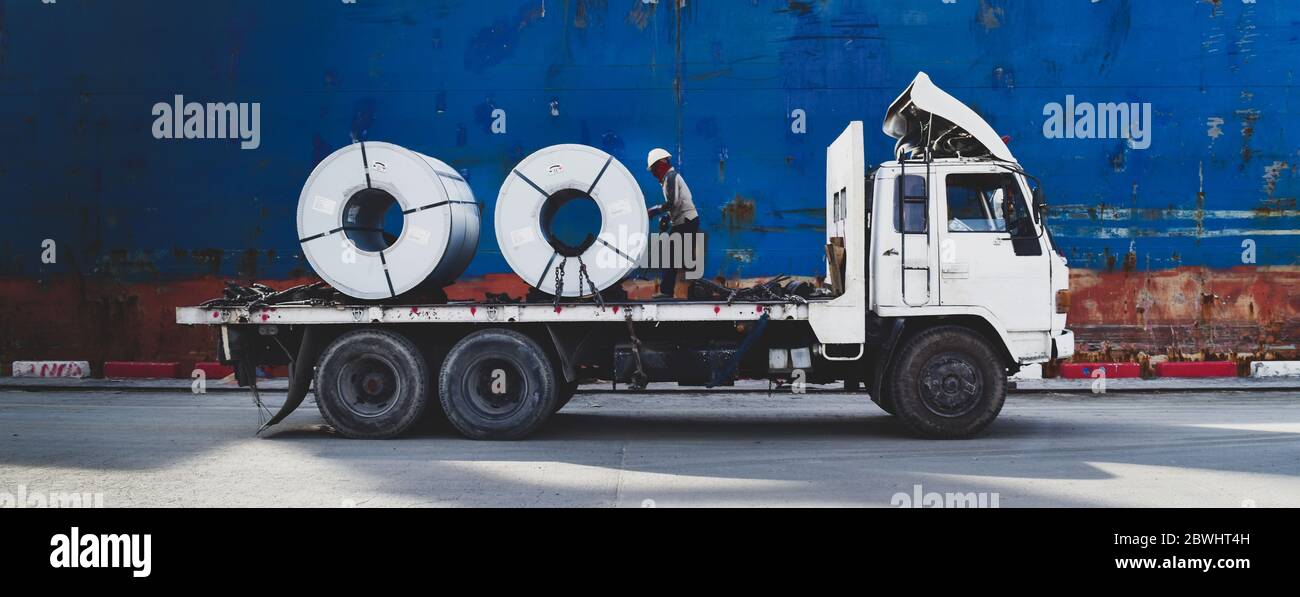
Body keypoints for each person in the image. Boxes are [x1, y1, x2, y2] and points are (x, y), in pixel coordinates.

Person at [646, 148, 701, 299]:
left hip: (686, 221)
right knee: (678, 256)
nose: (653, 173)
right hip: (686, 221)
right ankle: (692, 288)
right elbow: (677, 204)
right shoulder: (668, 178)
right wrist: (668, 219)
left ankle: (667, 291)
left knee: (671, 254)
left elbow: (672, 202)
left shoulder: (670, 177)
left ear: (660, 164)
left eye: (654, 169)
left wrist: (653, 211)